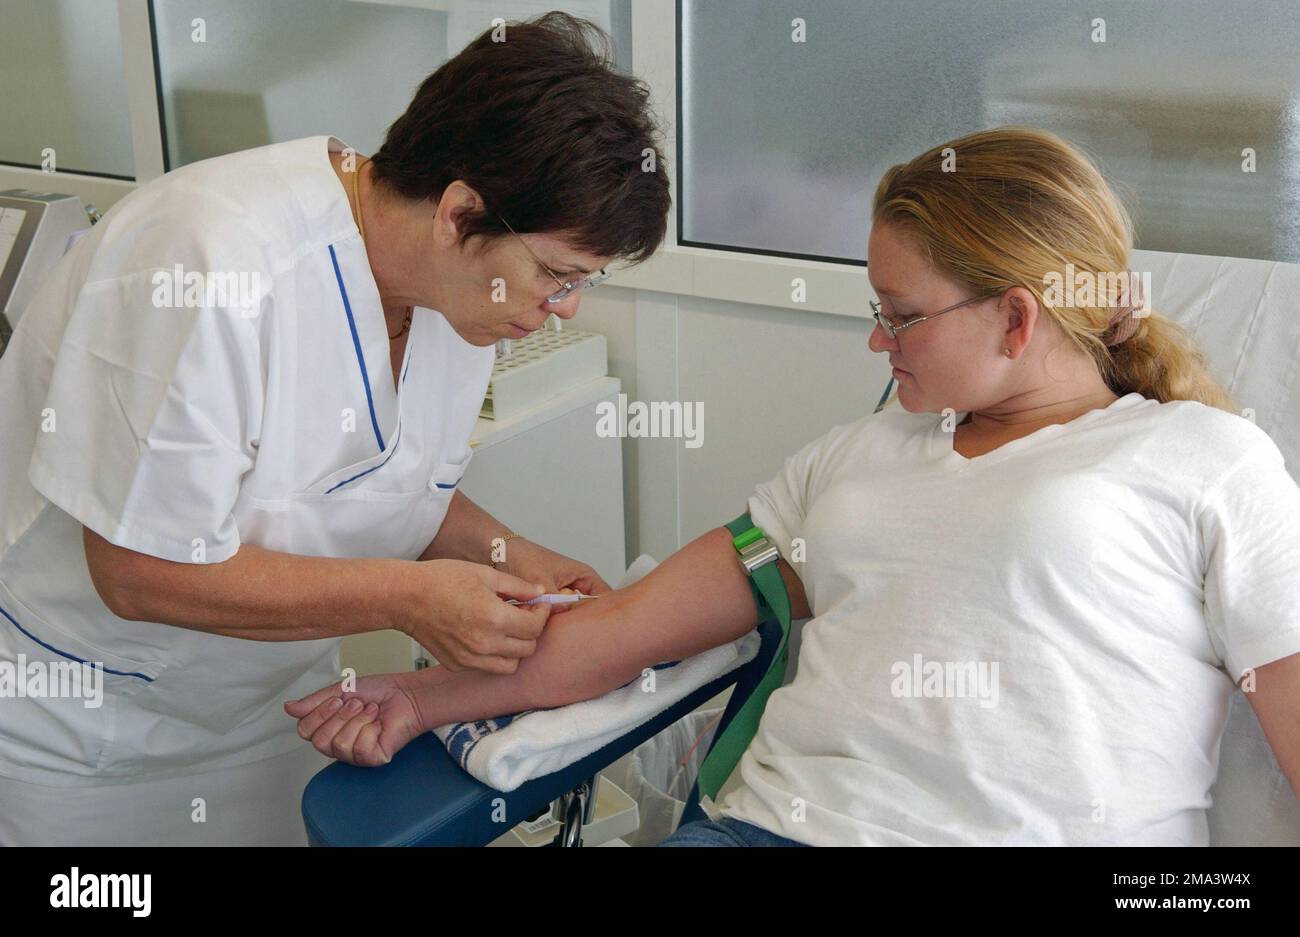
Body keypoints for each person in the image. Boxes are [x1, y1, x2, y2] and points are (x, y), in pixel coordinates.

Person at [290, 127, 1300, 846]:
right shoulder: (848, 461)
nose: (875, 342)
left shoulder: (1204, 458)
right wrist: (418, 696)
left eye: (899, 316)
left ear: (1016, 319)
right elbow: (623, 632)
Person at [0, 13, 669, 846]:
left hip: (273, 709)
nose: (563, 310)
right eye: (558, 276)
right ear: (460, 213)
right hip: (87, 733)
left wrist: (508, 555)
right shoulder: (209, 262)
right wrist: (406, 599)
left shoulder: (456, 302)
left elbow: (377, 478)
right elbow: (136, 570)